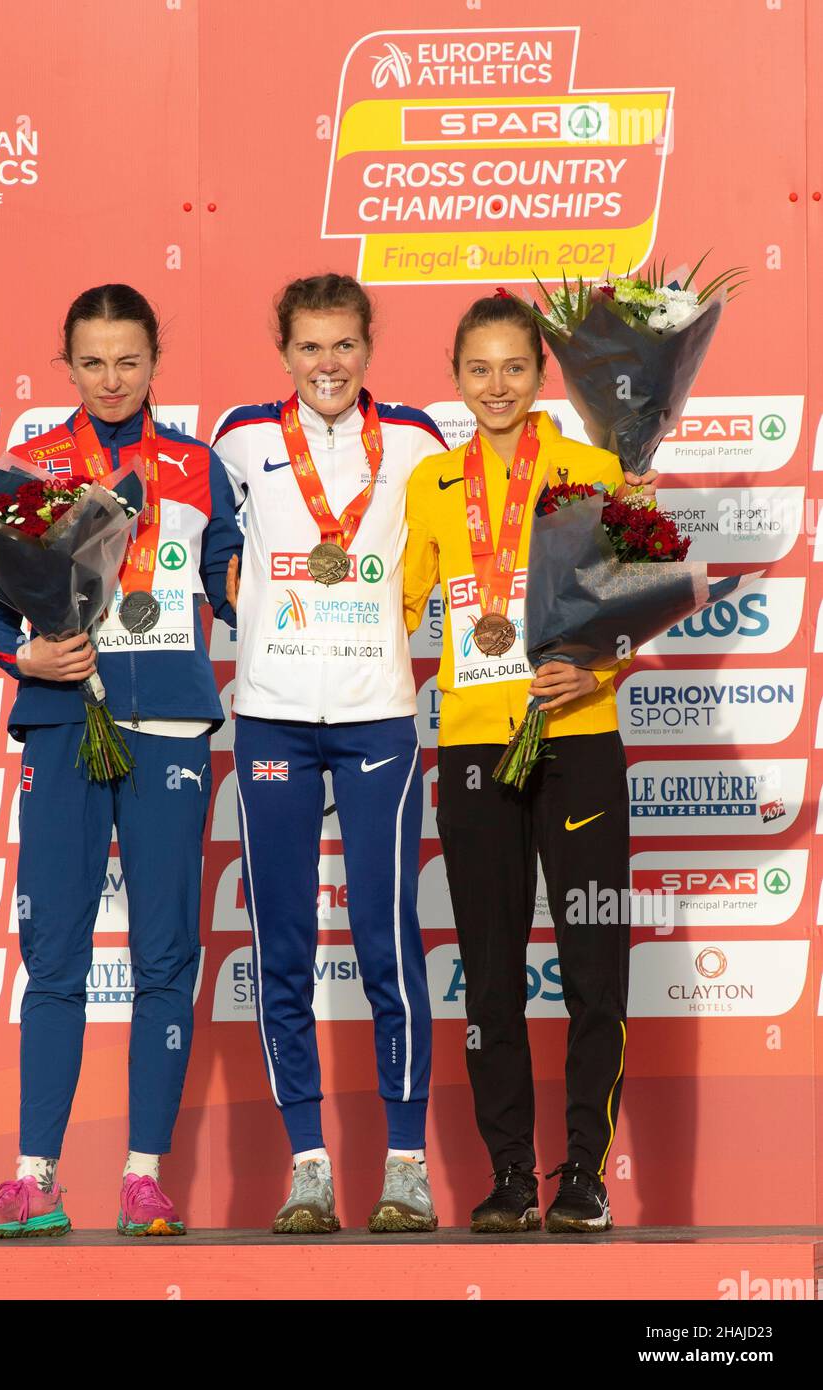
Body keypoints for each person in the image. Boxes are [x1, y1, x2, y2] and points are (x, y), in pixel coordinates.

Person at [0, 283, 242, 1239]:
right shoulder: (30, 470)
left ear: (155, 359)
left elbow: (241, 588)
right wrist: (25, 656)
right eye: (92, 362)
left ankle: (143, 1177)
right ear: (65, 364)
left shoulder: (199, 468)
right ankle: (36, 1178)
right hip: (61, 721)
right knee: (56, 958)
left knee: (165, 956)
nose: (112, 380)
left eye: (129, 361)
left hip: (165, 728)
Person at [404, 292, 648, 1235]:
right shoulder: (431, 483)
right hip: (473, 745)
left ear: (543, 374)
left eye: (514, 366)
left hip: (579, 736)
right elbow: (395, 605)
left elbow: (640, 602)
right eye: (478, 368)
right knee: (490, 969)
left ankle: (582, 1171)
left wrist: (598, 668)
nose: (496, 385)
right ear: (457, 376)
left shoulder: (594, 468)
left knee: (593, 962)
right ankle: (510, 1172)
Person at [213, 273, 449, 1233]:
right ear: (283, 353)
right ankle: (306, 1163)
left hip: (377, 716)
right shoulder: (240, 438)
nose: (327, 365)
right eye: (309, 346)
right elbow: (192, 546)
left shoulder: (422, 439)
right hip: (270, 714)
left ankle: (405, 1164)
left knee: (389, 938)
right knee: (283, 946)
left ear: (368, 346)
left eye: (344, 344)